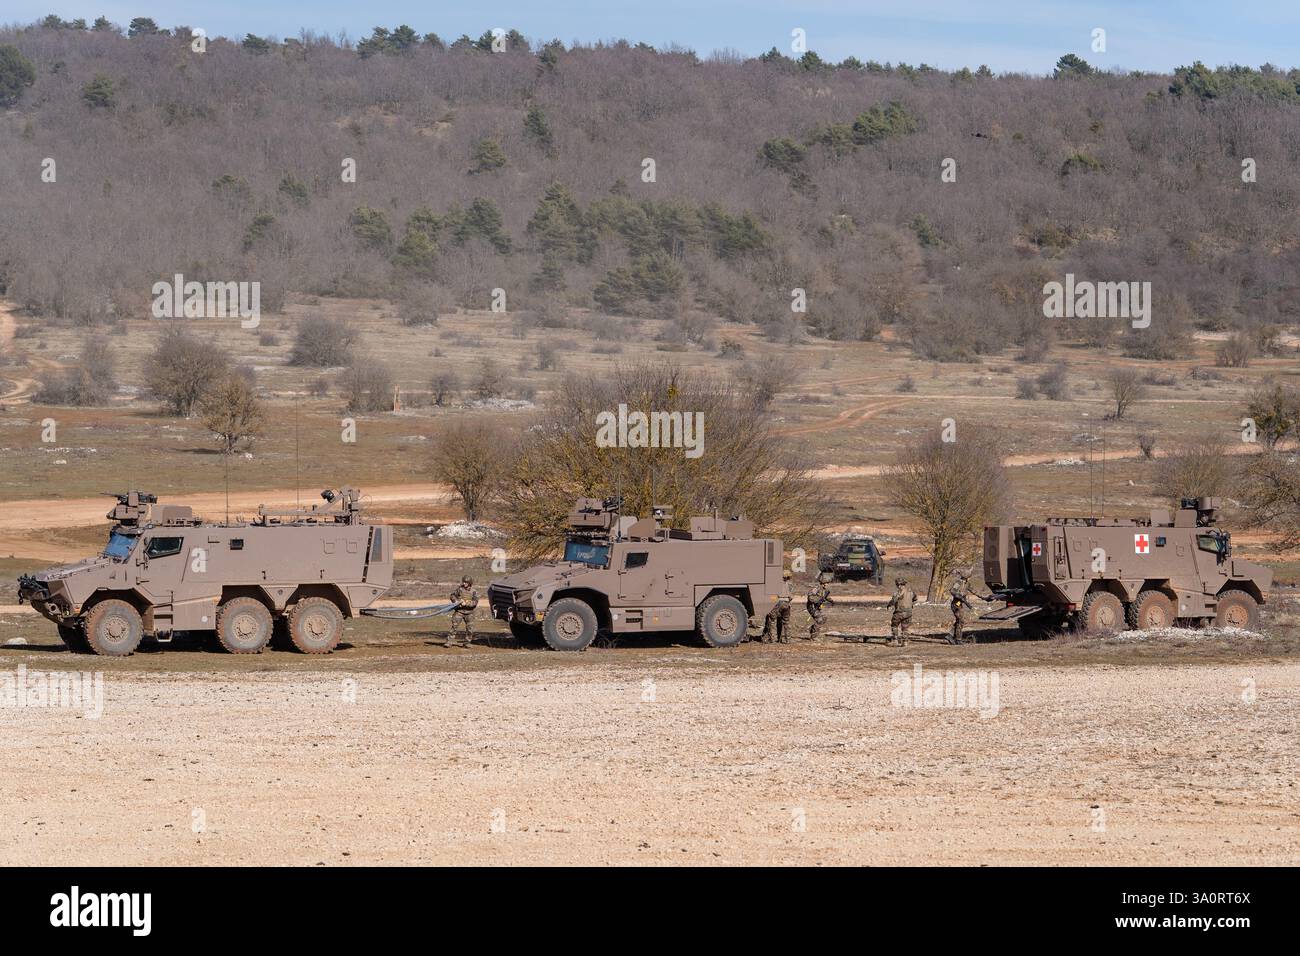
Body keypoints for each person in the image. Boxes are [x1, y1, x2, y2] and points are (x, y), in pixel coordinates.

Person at [948, 570, 992, 645]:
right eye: (969, 577)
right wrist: (959, 596)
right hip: (956, 604)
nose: (970, 578)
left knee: (959, 620)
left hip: (960, 604)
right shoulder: (958, 582)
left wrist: (984, 597)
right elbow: (952, 591)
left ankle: (951, 636)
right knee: (961, 621)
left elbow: (974, 591)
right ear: (966, 577)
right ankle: (957, 639)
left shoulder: (967, 584)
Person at [446, 575, 479, 648]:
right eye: (463, 582)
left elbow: (475, 602)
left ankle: (467, 642)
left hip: (469, 613)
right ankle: (449, 641)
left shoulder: (474, 591)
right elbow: (452, 596)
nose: (464, 583)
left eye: (466, 582)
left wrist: (466, 603)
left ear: (469, 583)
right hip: (459, 612)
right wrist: (456, 601)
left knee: (470, 629)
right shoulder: (459, 589)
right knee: (454, 627)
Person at [762, 570, 793, 644]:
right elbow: (791, 597)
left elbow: (772, 596)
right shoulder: (790, 584)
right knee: (786, 623)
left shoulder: (776, 584)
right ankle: (787, 640)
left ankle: (772, 639)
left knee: (771, 620)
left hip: (778, 603)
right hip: (787, 604)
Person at [885, 576, 917, 647]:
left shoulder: (898, 593)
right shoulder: (911, 592)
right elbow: (915, 598)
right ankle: (905, 642)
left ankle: (895, 640)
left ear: (898, 585)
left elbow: (893, 601)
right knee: (905, 627)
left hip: (899, 612)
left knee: (894, 625)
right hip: (909, 613)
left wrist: (889, 605)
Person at [805, 572, 834, 641]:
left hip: (818, 607)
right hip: (812, 607)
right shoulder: (816, 589)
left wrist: (831, 601)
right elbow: (810, 597)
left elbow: (826, 597)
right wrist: (817, 600)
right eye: (827, 583)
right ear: (823, 583)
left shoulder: (826, 590)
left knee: (824, 618)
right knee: (819, 619)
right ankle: (814, 637)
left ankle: (812, 628)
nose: (827, 585)